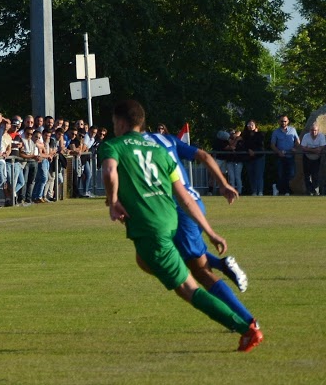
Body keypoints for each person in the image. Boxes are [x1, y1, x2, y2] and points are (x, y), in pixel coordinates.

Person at [98, 99, 261, 352]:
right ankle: (218, 267)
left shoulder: (112, 145)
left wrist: (114, 200)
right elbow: (184, 197)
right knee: (145, 260)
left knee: (189, 285)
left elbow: (110, 172)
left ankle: (246, 328)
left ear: (120, 123)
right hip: (171, 219)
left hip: (153, 227)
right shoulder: (160, 149)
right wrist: (210, 232)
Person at [144, 128, 256, 324]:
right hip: (194, 203)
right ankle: (223, 265)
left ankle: (248, 322)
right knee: (177, 256)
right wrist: (223, 184)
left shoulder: (132, 147)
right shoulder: (166, 139)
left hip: (180, 209)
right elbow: (204, 155)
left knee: (200, 271)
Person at [270, 115, 299, 195]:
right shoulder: (275, 132)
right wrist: (278, 152)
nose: (283, 123)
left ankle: (278, 187)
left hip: (290, 156)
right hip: (280, 156)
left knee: (291, 174)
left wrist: (295, 148)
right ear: (279, 122)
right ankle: (286, 191)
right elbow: (272, 145)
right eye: (282, 121)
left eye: (285, 121)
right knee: (281, 174)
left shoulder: (293, 130)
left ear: (288, 121)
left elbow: (297, 141)